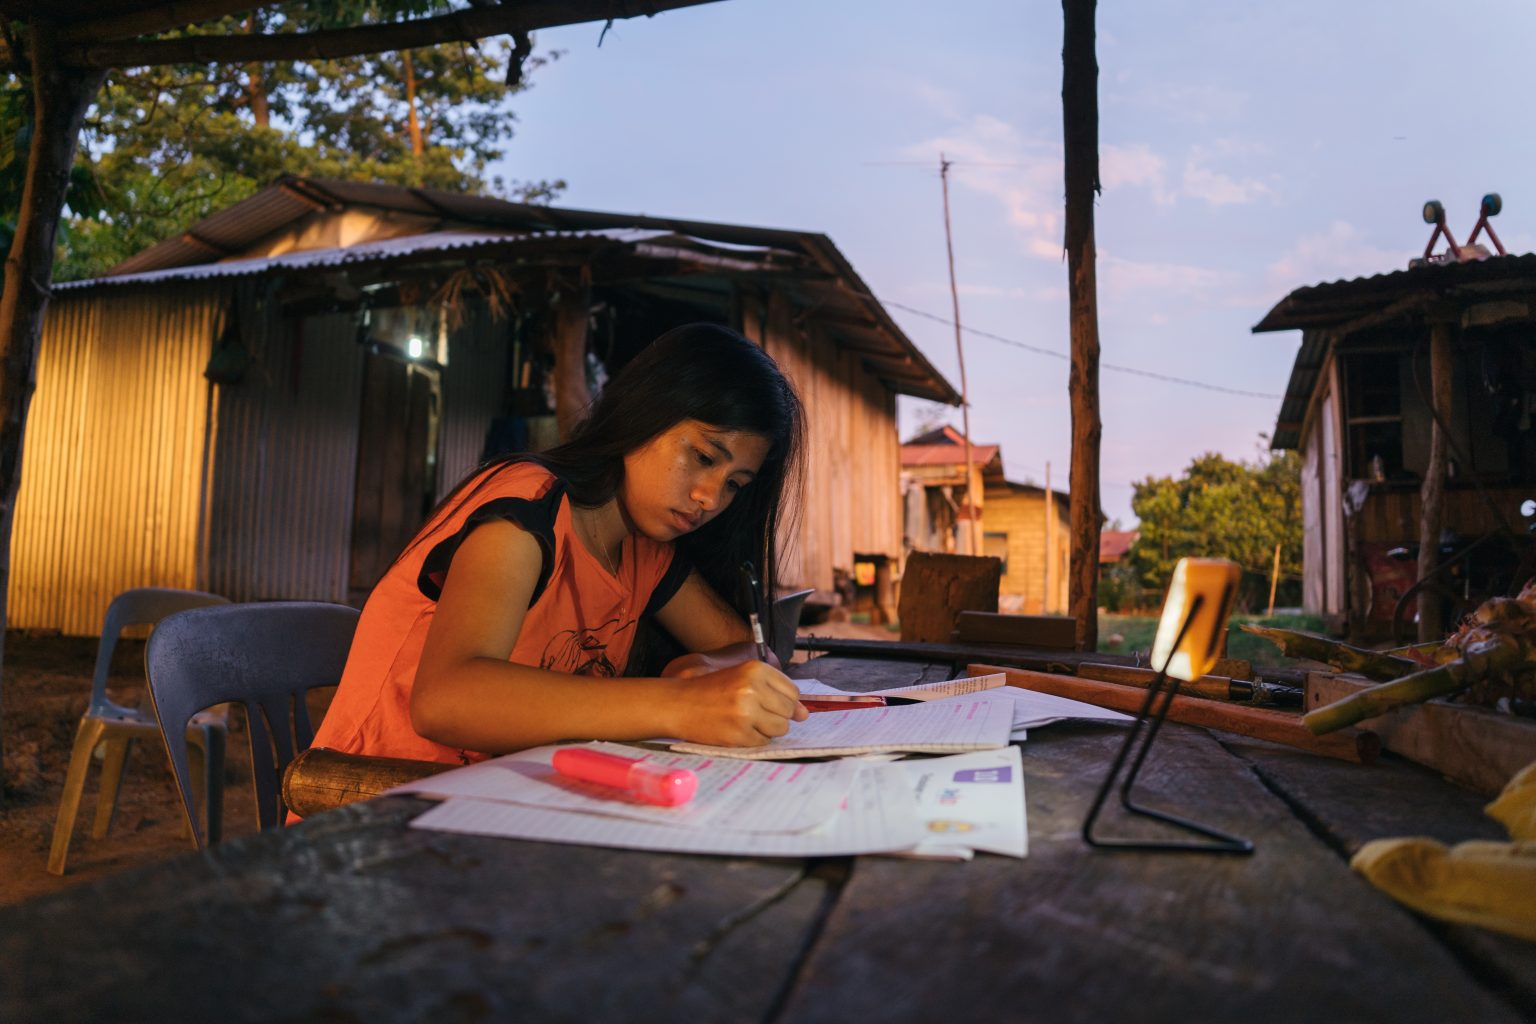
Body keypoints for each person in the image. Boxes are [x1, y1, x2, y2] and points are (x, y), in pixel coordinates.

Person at [310, 322, 809, 766]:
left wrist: (704, 669)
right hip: (379, 797)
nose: (709, 497)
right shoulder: (528, 507)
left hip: (509, 801)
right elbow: (444, 699)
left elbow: (745, 648)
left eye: (735, 484)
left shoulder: (646, 553)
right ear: (645, 413)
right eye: (702, 456)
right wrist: (679, 705)